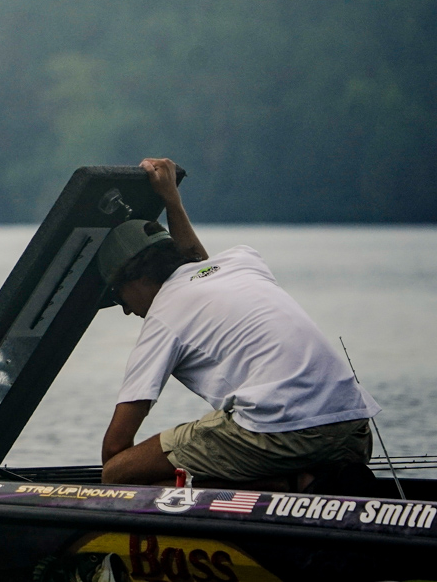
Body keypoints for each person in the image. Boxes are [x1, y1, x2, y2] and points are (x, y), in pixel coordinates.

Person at [99, 158, 379, 489]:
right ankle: (308, 481)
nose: (127, 311)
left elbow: (115, 448)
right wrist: (171, 200)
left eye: (119, 298)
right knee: (214, 465)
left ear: (139, 278)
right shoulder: (240, 263)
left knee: (119, 471)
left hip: (281, 435)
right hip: (354, 432)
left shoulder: (164, 317)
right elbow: (199, 264)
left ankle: (289, 483)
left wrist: (146, 476)